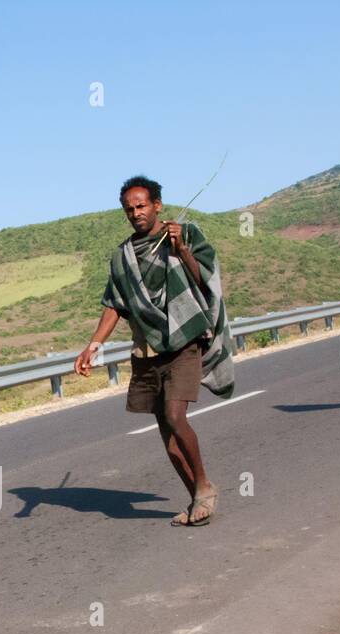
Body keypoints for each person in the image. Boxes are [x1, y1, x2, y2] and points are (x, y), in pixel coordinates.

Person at [74, 175, 234, 526]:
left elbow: (204, 279)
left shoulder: (185, 234)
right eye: (129, 209)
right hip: (146, 351)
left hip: (183, 342)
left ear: (157, 205)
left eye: (141, 206)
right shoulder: (123, 257)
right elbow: (114, 304)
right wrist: (93, 345)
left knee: (177, 417)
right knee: (167, 435)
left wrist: (182, 251)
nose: (135, 213)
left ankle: (205, 487)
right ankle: (196, 500)